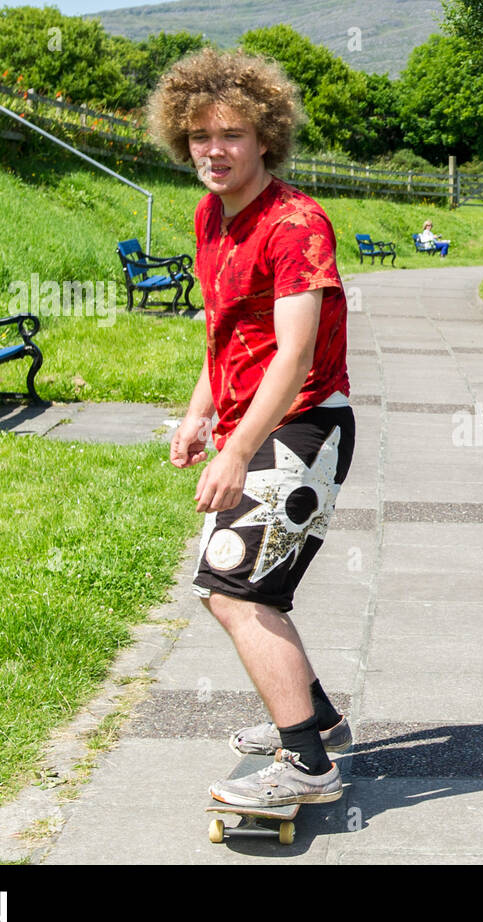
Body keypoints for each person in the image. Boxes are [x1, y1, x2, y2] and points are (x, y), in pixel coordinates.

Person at [148, 48, 354, 807]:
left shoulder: (296, 224)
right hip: (255, 426)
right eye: (200, 136)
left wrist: (237, 449)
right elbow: (226, 333)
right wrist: (200, 414)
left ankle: (308, 767)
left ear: (266, 136)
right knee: (234, 587)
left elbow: (295, 356)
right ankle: (318, 721)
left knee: (236, 590)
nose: (214, 150)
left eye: (231, 133)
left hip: (305, 427)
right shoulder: (211, 214)